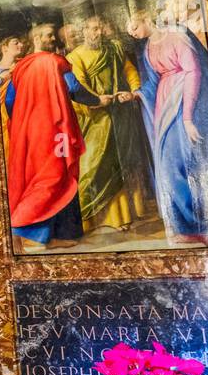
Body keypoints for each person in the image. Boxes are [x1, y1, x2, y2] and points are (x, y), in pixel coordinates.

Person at [123, 11, 208, 245]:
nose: (133, 33)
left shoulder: (176, 34)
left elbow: (194, 71)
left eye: (134, 26)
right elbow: (153, 84)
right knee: (169, 165)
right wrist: (136, 95)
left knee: (197, 161)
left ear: (146, 18)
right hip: (165, 106)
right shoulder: (147, 49)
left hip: (187, 99)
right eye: (129, 31)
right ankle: (187, 225)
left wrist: (187, 117)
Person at [4, 22, 112, 250]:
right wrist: (98, 101)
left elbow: (10, 102)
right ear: (36, 39)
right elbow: (74, 89)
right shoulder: (55, 63)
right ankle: (24, 224)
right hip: (55, 131)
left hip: (31, 134)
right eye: (49, 36)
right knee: (57, 177)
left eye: (54, 36)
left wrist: (24, 123)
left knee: (41, 177)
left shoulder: (20, 68)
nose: (54, 40)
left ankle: (55, 235)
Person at [65, 15, 154, 234]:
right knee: (94, 167)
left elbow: (130, 71)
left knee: (125, 162)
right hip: (97, 120)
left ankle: (125, 215)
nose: (98, 33)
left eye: (101, 29)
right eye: (93, 29)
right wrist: (97, 101)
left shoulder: (114, 48)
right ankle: (94, 219)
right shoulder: (75, 56)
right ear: (84, 31)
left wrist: (133, 93)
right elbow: (80, 87)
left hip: (121, 115)